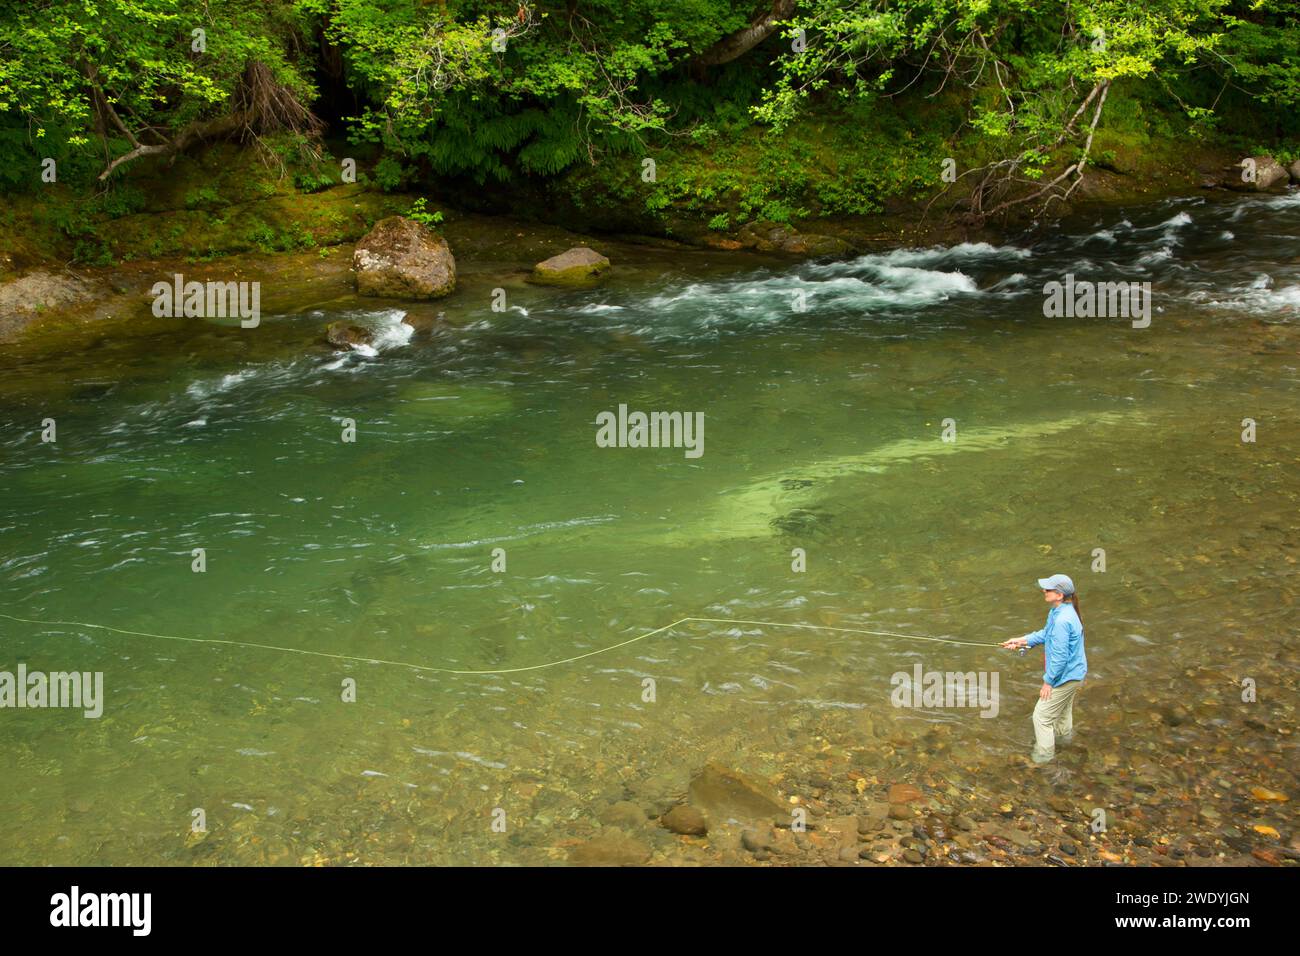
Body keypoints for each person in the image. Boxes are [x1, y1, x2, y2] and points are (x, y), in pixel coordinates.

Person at [1000, 574, 1087, 763]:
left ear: (1059, 594)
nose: (1044, 591)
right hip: (1074, 674)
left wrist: (1048, 682)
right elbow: (1046, 634)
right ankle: (1067, 745)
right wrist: (1021, 640)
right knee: (1062, 713)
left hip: (1065, 676)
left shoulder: (1063, 620)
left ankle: (1043, 759)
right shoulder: (1059, 611)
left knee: (1041, 717)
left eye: (1048, 589)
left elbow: (1060, 658)